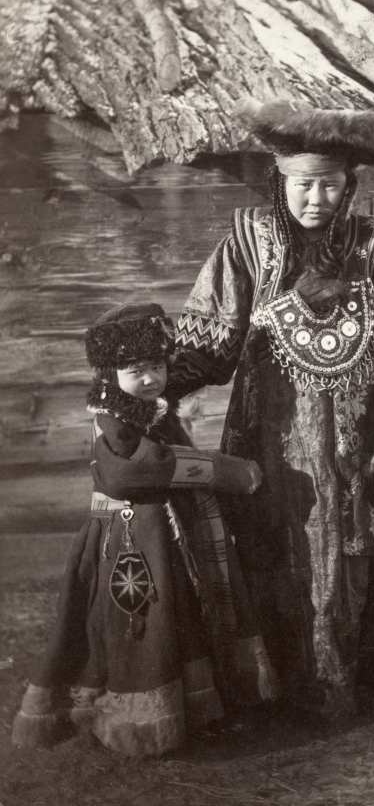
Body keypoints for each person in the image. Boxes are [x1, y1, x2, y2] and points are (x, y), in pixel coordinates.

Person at [169, 99, 374, 719]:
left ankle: (355, 680)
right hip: (271, 435)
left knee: (355, 544)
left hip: (357, 433)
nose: (316, 198)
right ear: (280, 181)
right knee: (274, 544)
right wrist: (157, 390)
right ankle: (276, 686)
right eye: (303, 184)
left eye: (329, 184)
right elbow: (210, 338)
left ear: (349, 186)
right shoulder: (248, 240)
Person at [12, 303, 278, 757]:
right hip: (128, 541)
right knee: (137, 623)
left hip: (165, 538)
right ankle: (133, 720)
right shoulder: (112, 418)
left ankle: (191, 709)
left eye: (156, 366)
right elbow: (129, 474)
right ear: (110, 373)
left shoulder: (150, 407)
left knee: (177, 617)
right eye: (137, 370)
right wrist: (222, 470)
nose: (151, 378)